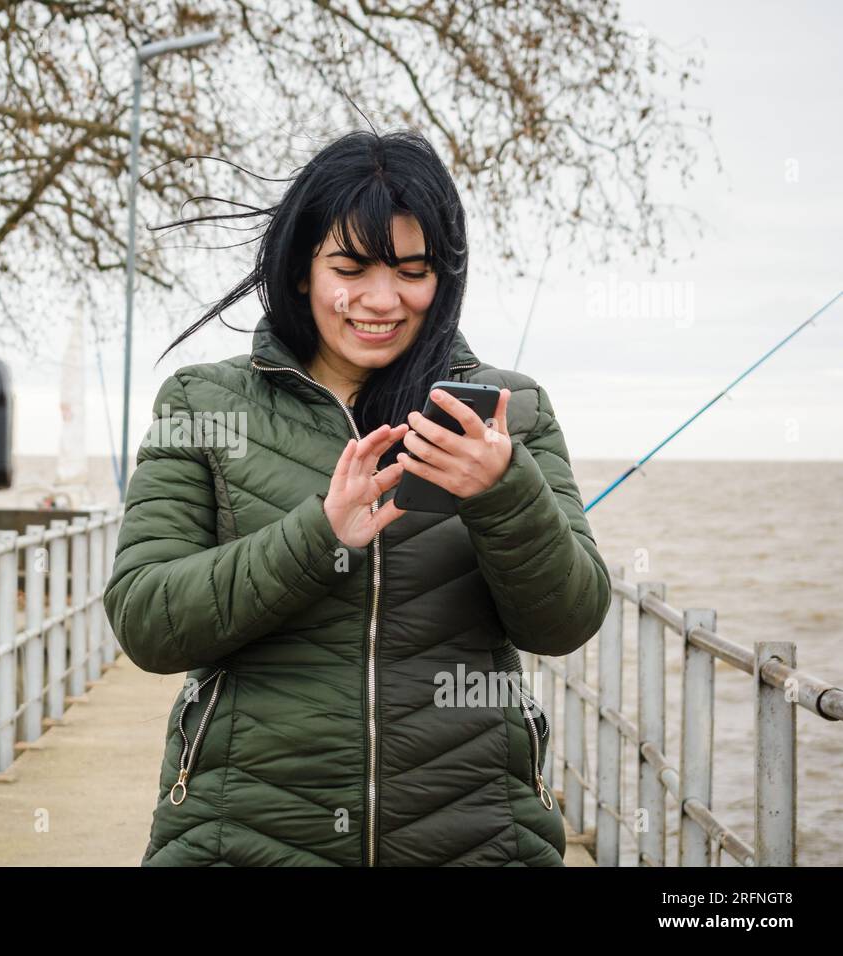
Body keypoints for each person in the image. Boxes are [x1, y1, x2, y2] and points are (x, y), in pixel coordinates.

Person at [102, 128, 612, 866]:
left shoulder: (511, 411)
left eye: (413, 271)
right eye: (350, 267)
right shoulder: (201, 401)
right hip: (238, 837)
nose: (382, 300)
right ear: (301, 266)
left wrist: (503, 494)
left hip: (479, 837)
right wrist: (316, 538)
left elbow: (566, 620)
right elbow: (146, 618)